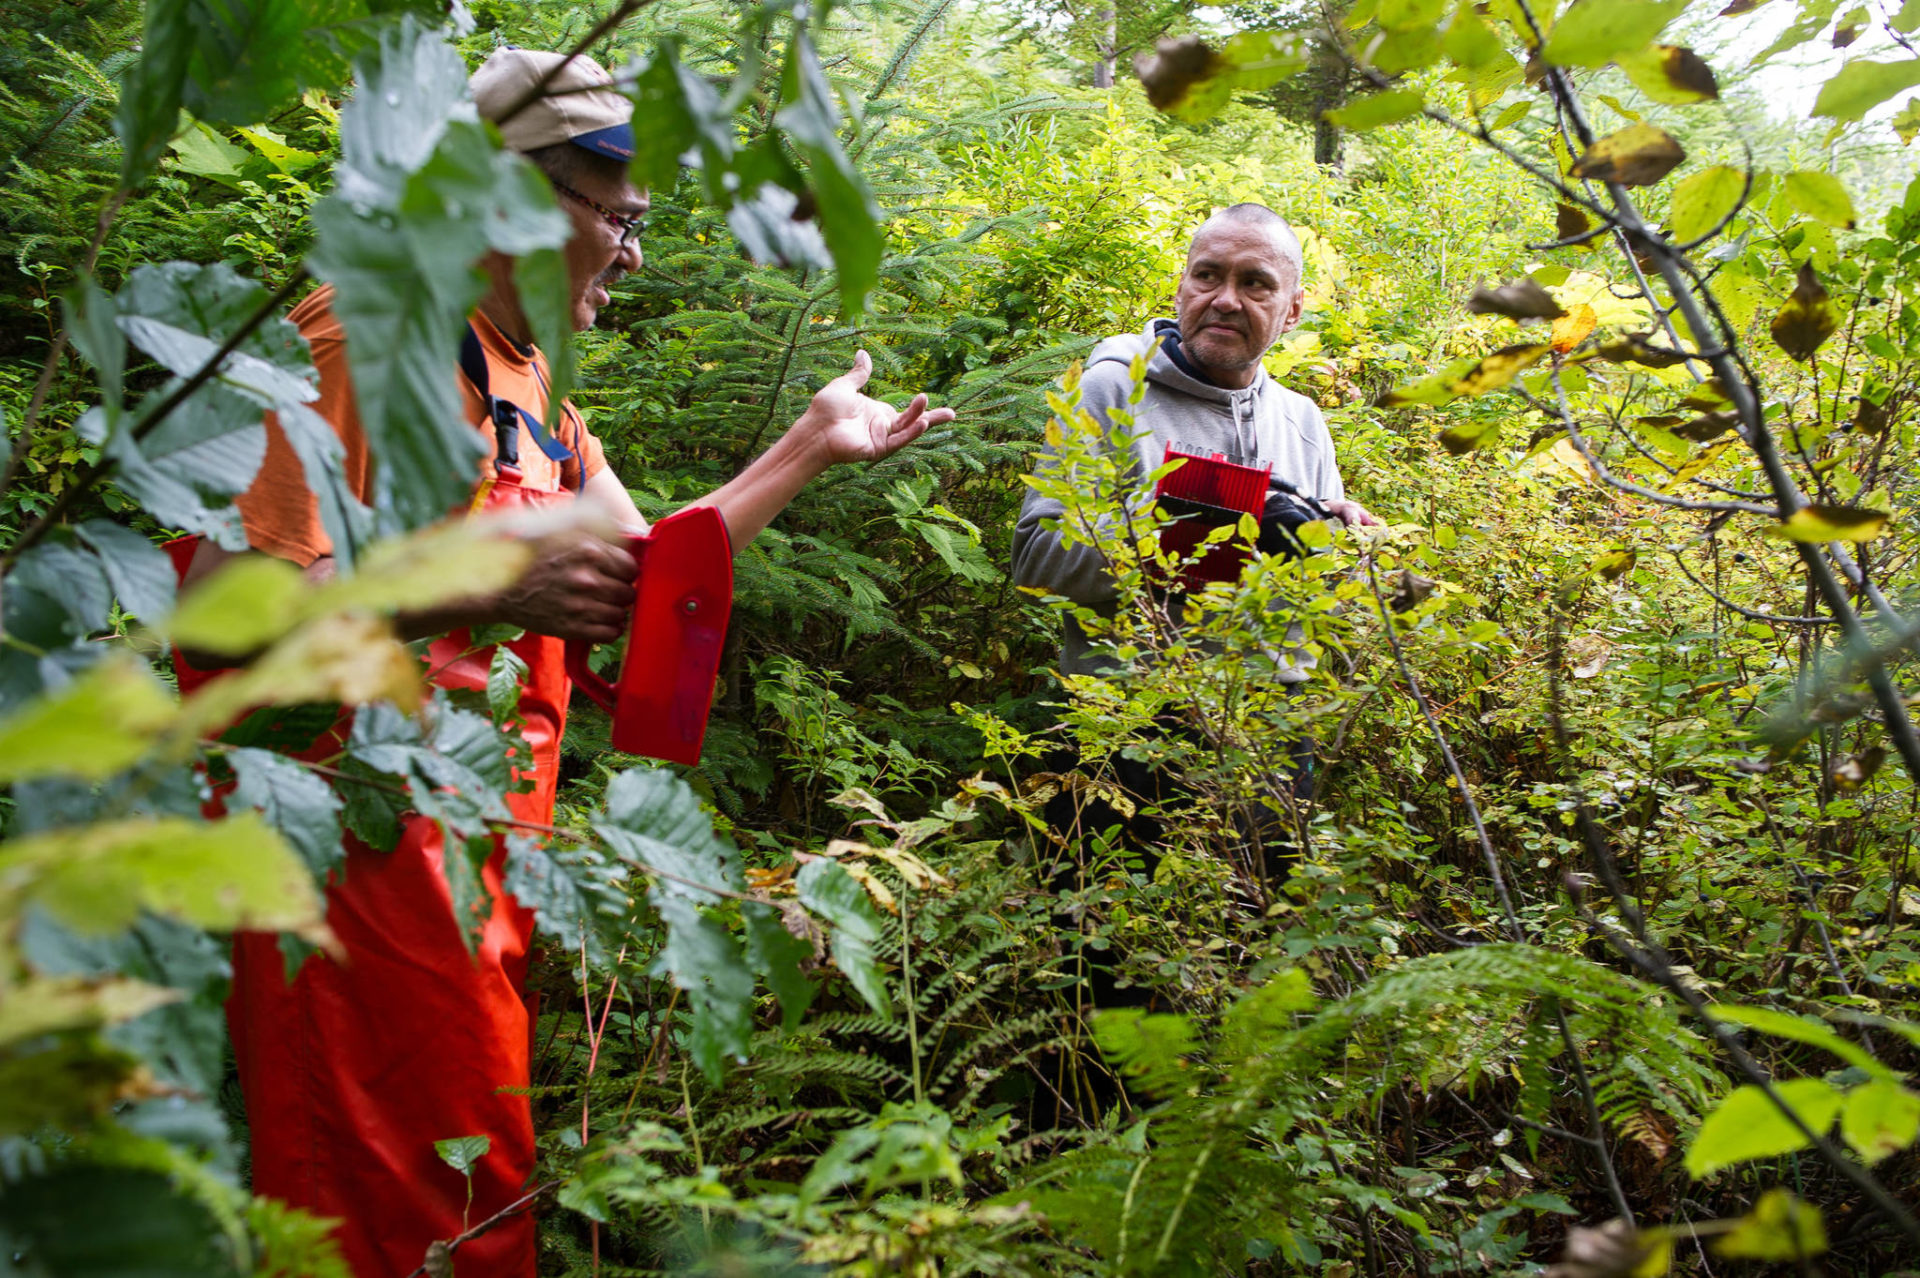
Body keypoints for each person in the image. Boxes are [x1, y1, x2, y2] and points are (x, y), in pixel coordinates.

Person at [176, 49, 952, 1277]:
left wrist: (807, 446)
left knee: (471, 1187)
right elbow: (220, 622)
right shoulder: (362, 333)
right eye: (622, 221)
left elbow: (649, 572)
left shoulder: (522, 370)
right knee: (396, 1207)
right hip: (346, 861)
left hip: (478, 858)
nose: (634, 255)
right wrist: (489, 585)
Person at [1010, 204, 1377, 898]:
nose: (1225, 299)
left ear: (1292, 310)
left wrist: (1342, 545)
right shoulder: (1110, 390)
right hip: (1126, 719)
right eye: (1207, 275)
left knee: (1253, 945)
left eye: (1255, 283)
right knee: (1104, 958)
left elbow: (1326, 593)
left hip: (1272, 725)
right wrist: (1211, 536)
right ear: (1181, 288)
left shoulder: (1302, 418)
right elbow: (1035, 554)